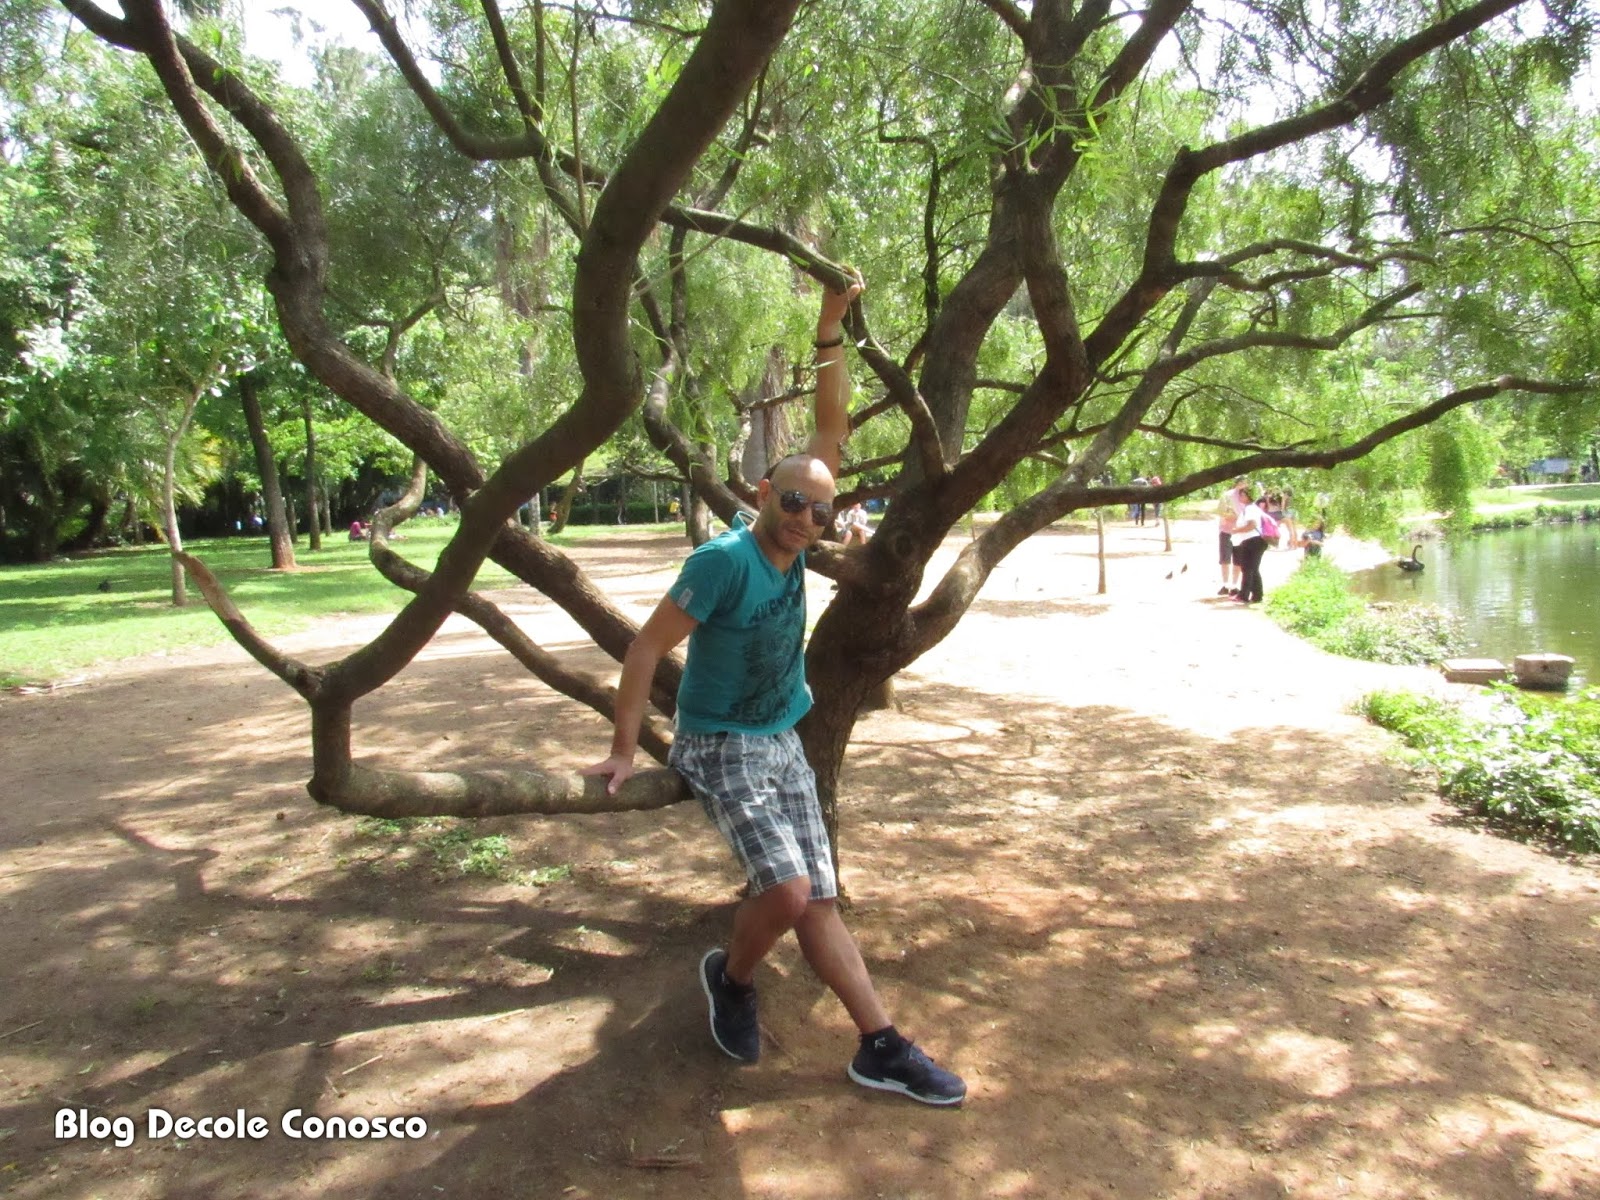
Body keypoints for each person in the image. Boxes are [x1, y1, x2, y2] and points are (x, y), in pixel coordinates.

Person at [581, 278, 966, 1107]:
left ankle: (880, 1045)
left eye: (820, 511)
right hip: (718, 741)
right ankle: (732, 974)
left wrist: (831, 330)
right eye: (793, 502)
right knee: (789, 891)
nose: (805, 518)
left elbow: (830, 429)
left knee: (817, 898)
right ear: (763, 493)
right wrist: (623, 746)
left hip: (782, 736)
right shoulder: (724, 561)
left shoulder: (803, 534)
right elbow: (646, 647)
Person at [1230, 487, 1269, 604]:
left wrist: (1237, 530)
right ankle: (1257, 595)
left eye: (1242, 495)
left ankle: (1244, 595)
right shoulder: (1250, 508)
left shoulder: (1251, 509)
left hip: (1253, 541)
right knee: (1253, 568)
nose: (1240, 497)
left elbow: (1252, 525)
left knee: (1247, 568)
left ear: (1248, 496)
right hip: (1254, 541)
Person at [1215, 476, 1246, 596]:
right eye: (1242, 483)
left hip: (1241, 531)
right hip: (1226, 530)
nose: (1244, 486)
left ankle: (1234, 585)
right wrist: (1227, 516)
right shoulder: (1227, 495)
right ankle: (1225, 584)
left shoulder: (1248, 497)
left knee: (1238, 560)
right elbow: (1220, 511)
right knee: (1225, 559)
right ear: (1237, 484)